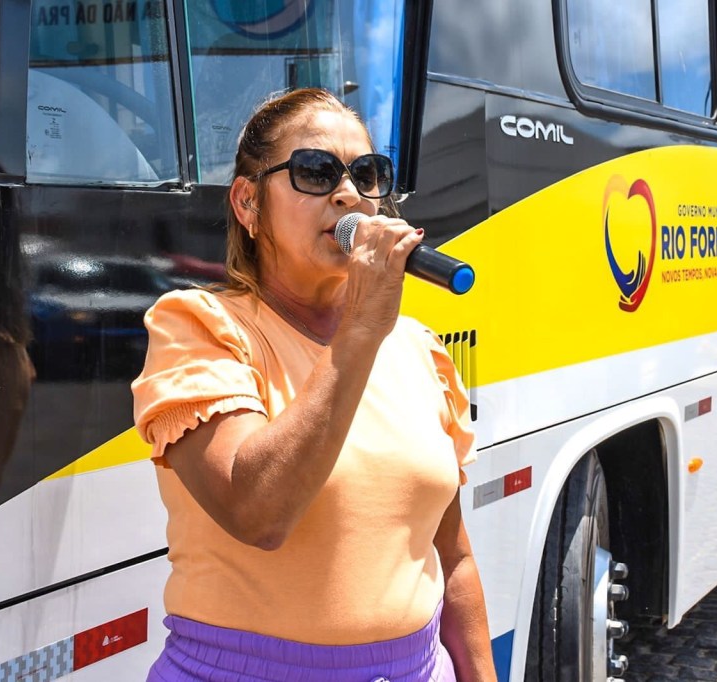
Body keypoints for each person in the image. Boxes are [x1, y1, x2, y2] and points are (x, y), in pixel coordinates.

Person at [132, 88, 497, 682]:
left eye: (368, 174)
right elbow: (258, 514)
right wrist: (360, 332)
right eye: (315, 170)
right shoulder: (199, 327)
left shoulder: (418, 349)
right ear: (249, 204)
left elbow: (451, 556)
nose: (349, 193)